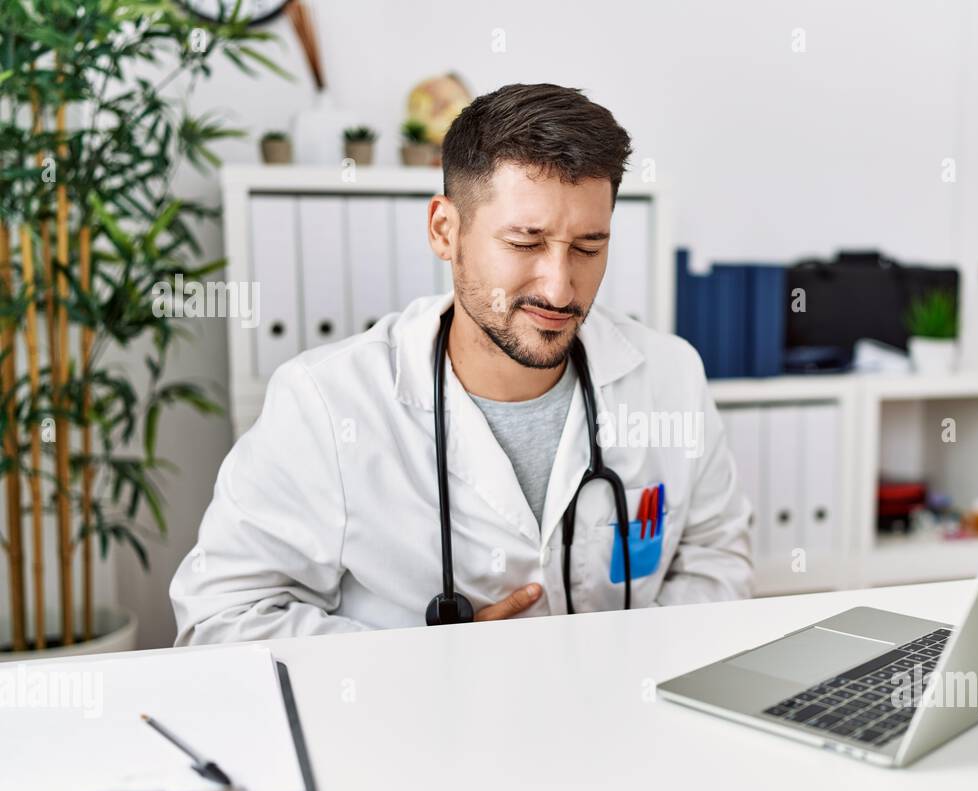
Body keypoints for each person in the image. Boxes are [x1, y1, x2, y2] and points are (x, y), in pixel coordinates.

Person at [170, 83, 753, 644]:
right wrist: (436, 666)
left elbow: (716, 556)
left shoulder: (671, 376)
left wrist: (621, 660)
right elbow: (221, 618)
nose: (558, 288)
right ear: (445, 230)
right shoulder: (327, 402)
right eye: (525, 243)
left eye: (588, 247)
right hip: (415, 734)